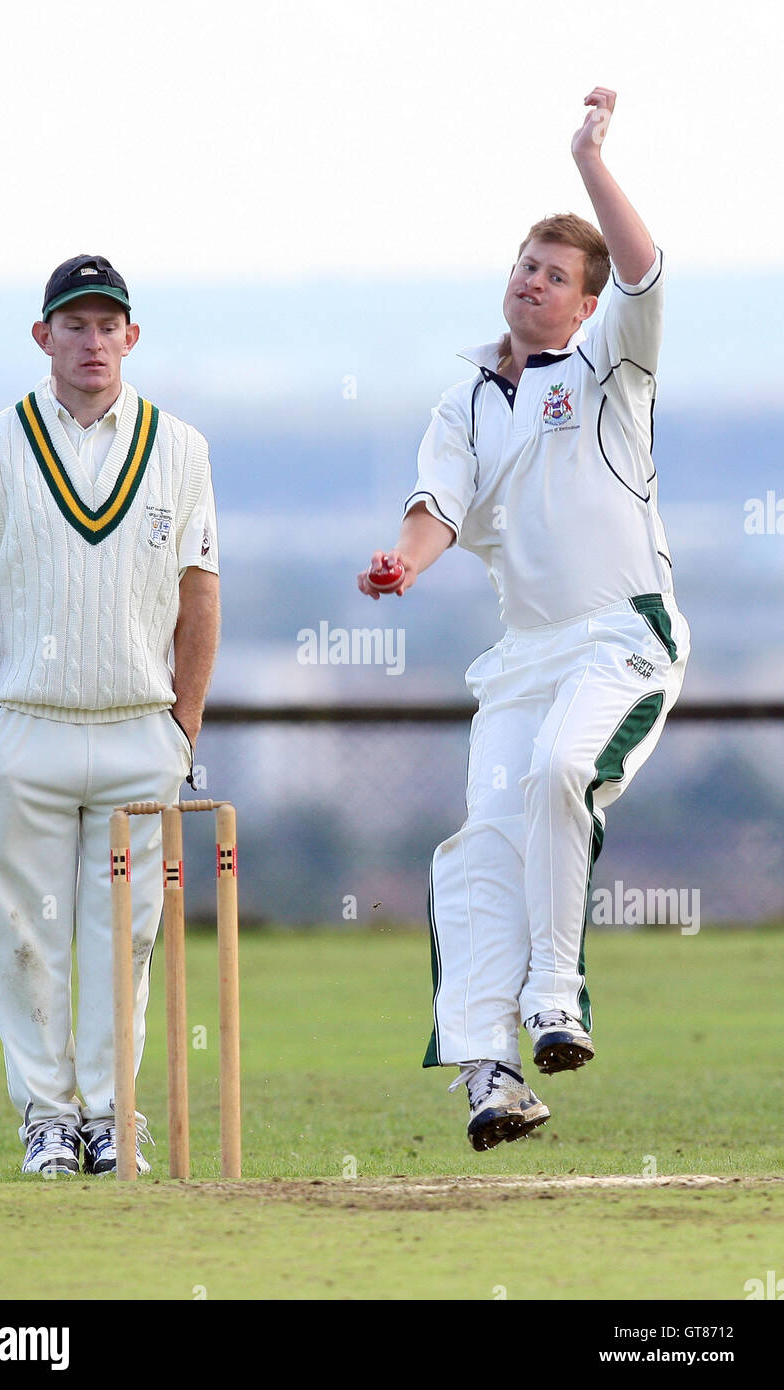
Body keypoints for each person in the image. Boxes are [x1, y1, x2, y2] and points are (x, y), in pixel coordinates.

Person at [358, 88, 690, 1150]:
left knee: (559, 772)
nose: (531, 281)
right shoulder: (459, 399)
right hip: (520, 656)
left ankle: (555, 997)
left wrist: (586, 158)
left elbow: (641, 267)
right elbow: (434, 509)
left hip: (620, 635)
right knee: (475, 853)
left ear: (583, 305)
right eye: (523, 264)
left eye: (554, 274)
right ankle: (490, 1072)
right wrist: (401, 567)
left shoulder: (609, 368)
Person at [0, 254, 221, 1175]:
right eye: (74, 324)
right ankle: (49, 1121)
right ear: (43, 336)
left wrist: (184, 725)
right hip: (32, 728)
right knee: (24, 935)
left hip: (139, 730)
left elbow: (199, 592)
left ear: (131, 337)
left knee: (124, 938)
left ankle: (111, 1114)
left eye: (108, 326)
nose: (92, 341)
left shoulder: (181, 447)